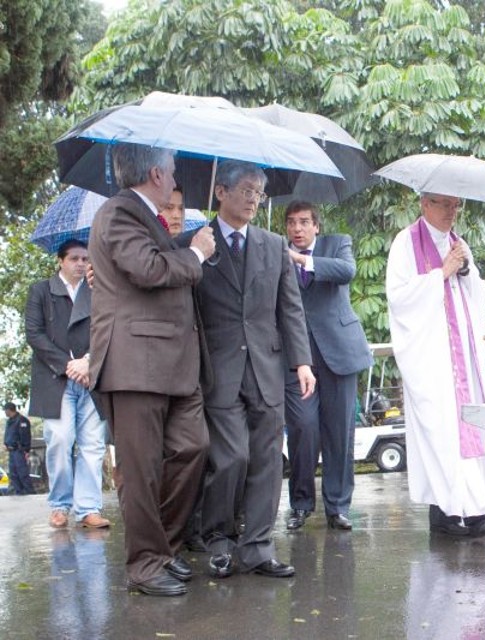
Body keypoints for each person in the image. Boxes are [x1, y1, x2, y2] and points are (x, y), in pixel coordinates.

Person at [88, 142, 216, 597]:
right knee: (141, 469)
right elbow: (146, 269)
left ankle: (163, 548)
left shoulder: (151, 218)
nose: (177, 178)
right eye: (173, 170)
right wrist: (196, 254)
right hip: (134, 362)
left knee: (193, 447)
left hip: (175, 364)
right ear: (156, 174)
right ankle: (144, 564)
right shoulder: (119, 212)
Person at [190, 160, 315, 579]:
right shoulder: (197, 243)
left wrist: (302, 362)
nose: (253, 200)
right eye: (245, 190)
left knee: (267, 459)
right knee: (231, 458)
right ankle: (219, 540)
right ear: (220, 192)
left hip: (266, 366)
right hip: (218, 369)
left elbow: (290, 308)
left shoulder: (273, 244)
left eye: (258, 193)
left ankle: (258, 547)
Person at [385, 193, 485, 537]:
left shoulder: (459, 242)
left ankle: (472, 510)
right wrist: (441, 272)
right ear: (425, 203)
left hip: (462, 356)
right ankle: (449, 512)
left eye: (456, 205)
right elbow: (399, 297)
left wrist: (465, 270)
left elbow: (476, 294)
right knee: (441, 432)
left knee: (469, 428)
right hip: (432, 357)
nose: (451, 212)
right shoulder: (405, 242)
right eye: (443, 204)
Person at [283, 201, 372, 531]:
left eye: (304, 222)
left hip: (339, 352)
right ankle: (300, 505)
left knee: (339, 433)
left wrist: (301, 260)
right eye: (291, 222)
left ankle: (338, 507)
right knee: (302, 429)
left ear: (316, 226)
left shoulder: (338, 243)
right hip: (297, 358)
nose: (297, 228)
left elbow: (346, 271)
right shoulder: (276, 252)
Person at [25, 240, 109, 525]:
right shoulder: (41, 291)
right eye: (74, 258)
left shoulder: (98, 291)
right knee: (60, 440)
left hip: (91, 378)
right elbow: (34, 334)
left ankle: (89, 509)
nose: (81, 264)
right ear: (60, 260)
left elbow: (108, 328)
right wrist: (68, 365)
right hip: (56, 379)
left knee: (93, 444)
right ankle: (60, 504)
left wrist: (89, 361)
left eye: (85, 259)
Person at [3, 402, 33, 495]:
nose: (5, 412)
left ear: (9, 410)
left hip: (19, 451)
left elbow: (26, 436)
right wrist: (6, 444)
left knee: (22, 473)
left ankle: (29, 492)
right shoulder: (10, 421)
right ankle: (19, 492)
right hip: (12, 451)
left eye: (5, 410)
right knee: (13, 474)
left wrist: (26, 450)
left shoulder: (22, 420)